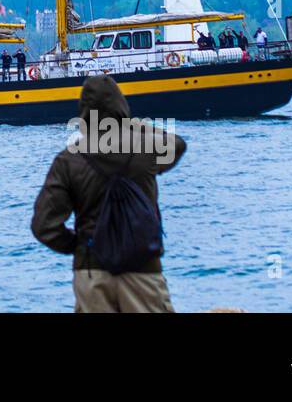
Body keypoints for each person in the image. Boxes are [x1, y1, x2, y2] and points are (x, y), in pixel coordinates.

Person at [31, 74, 186, 313]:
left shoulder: (68, 159)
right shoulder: (147, 150)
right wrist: (132, 124)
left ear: (83, 114)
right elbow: (177, 144)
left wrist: (80, 246)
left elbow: (44, 225)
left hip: (91, 270)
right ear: (121, 106)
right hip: (142, 268)